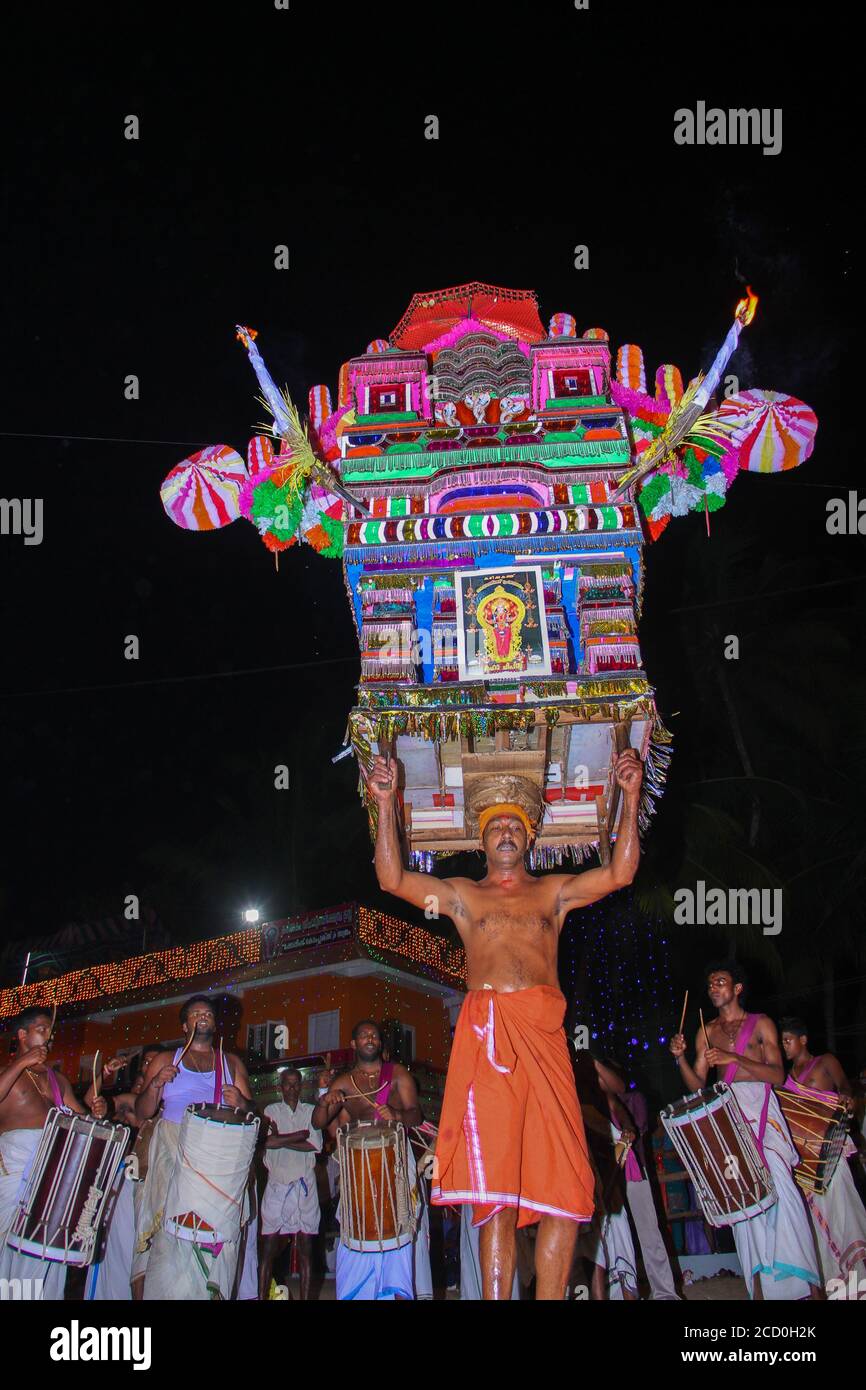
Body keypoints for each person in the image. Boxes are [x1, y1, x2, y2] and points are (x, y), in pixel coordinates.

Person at [366, 746, 644, 1299]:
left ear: (531, 837)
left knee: (566, 1183)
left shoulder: (555, 893)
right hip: (489, 1043)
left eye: (517, 827)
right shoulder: (465, 897)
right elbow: (392, 879)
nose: (507, 836)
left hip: (544, 1042)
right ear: (481, 840)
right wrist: (385, 800)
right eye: (496, 829)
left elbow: (620, 872)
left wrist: (631, 797)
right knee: (495, 1187)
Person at [669, 964, 820, 1300]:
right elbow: (697, 1087)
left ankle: (810, 1285)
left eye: (720, 982)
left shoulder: (761, 1023)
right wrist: (680, 1060)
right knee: (743, 1199)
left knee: (783, 1190)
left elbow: (778, 1076)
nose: (713, 988)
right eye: (709, 984)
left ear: (737, 988)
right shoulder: (705, 1031)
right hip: (729, 1116)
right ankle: (759, 1289)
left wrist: (732, 1056)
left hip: (763, 1111)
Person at [133, 995, 255, 1299]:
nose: (204, 1017)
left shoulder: (230, 1062)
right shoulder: (166, 1059)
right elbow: (143, 1111)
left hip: (217, 1155)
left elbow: (254, 1115)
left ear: (215, 1023)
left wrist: (242, 1102)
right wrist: (156, 1085)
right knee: (170, 1233)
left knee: (212, 1231)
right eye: (197, 1013)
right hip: (172, 1150)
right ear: (185, 1024)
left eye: (209, 1013)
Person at [0, 1007, 108, 1300]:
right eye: (42, 1029)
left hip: (53, 1173)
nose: (49, 1037)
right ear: (22, 1035)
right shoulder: (5, 1074)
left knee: (47, 1246)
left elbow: (81, 1120)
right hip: (15, 1167)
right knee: (10, 1247)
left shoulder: (58, 1081)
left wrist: (97, 1113)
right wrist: (21, 1062)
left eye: (51, 1032)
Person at [312, 1019, 423, 1300]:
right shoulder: (345, 1083)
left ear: (380, 1043)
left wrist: (397, 1116)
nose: (369, 1039)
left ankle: (396, 1289)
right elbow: (318, 1123)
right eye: (363, 1035)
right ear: (354, 1044)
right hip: (358, 1170)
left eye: (374, 1035)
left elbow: (416, 1114)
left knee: (397, 1232)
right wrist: (326, 1100)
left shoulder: (396, 1074)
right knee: (357, 1234)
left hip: (395, 1162)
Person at [780, 1017, 866, 1285]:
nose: (784, 1046)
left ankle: (860, 1277)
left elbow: (845, 1085)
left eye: (787, 1040)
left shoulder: (825, 1061)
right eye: (782, 1041)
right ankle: (836, 1282)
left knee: (843, 1210)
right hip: (808, 1161)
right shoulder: (786, 1079)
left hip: (830, 1150)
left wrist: (846, 1097)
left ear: (803, 1040)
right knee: (818, 1222)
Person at [596, 1058, 681, 1299]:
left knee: (648, 1228)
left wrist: (626, 1126)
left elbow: (618, 1096)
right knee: (607, 1233)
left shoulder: (598, 1080)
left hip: (626, 1158)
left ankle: (664, 1293)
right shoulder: (564, 1082)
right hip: (597, 1166)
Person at [85, 1049, 161, 1301]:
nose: (149, 1065)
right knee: (118, 1250)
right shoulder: (130, 1101)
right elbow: (92, 1100)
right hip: (125, 1180)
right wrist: (105, 1072)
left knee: (148, 1257)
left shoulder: (169, 1102)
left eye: (154, 1060)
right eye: (146, 1061)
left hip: (156, 1187)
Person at [258, 1067, 323, 1300]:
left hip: (305, 1184)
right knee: (268, 1249)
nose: (292, 1089)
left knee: (306, 1250)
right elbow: (267, 1142)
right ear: (280, 1087)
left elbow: (315, 1146)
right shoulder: (270, 1110)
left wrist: (282, 1139)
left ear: (302, 1086)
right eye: (288, 1084)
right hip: (277, 1183)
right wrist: (299, 1135)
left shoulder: (311, 1111)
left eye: (296, 1084)